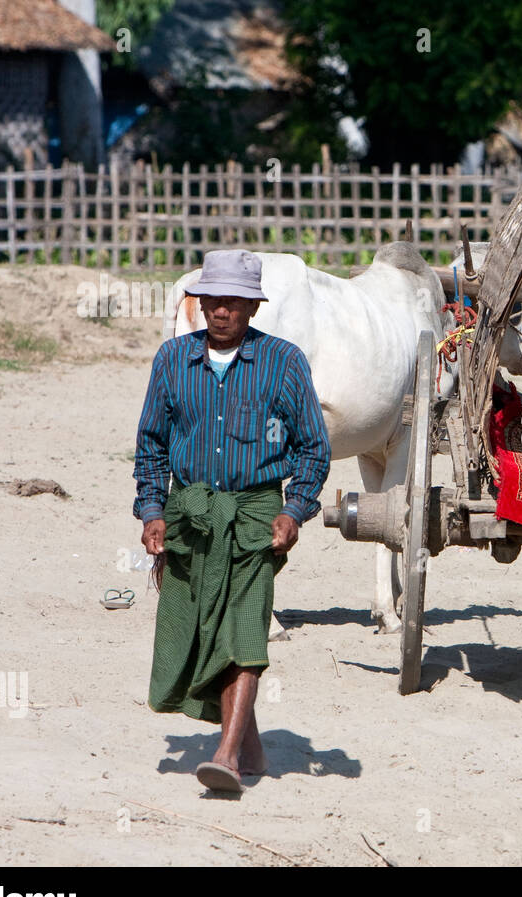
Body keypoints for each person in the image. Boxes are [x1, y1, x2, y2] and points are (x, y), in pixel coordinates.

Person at [133, 249, 331, 793]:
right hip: (190, 515)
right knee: (203, 629)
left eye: (234, 303)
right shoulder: (172, 360)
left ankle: (226, 757)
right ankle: (252, 743)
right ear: (199, 305)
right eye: (212, 301)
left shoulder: (284, 362)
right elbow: (150, 444)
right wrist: (152, 511)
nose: (222, 312)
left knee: (244, 626)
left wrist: (294, 510)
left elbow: (314, 448)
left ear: (252, 307)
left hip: (255, 516)